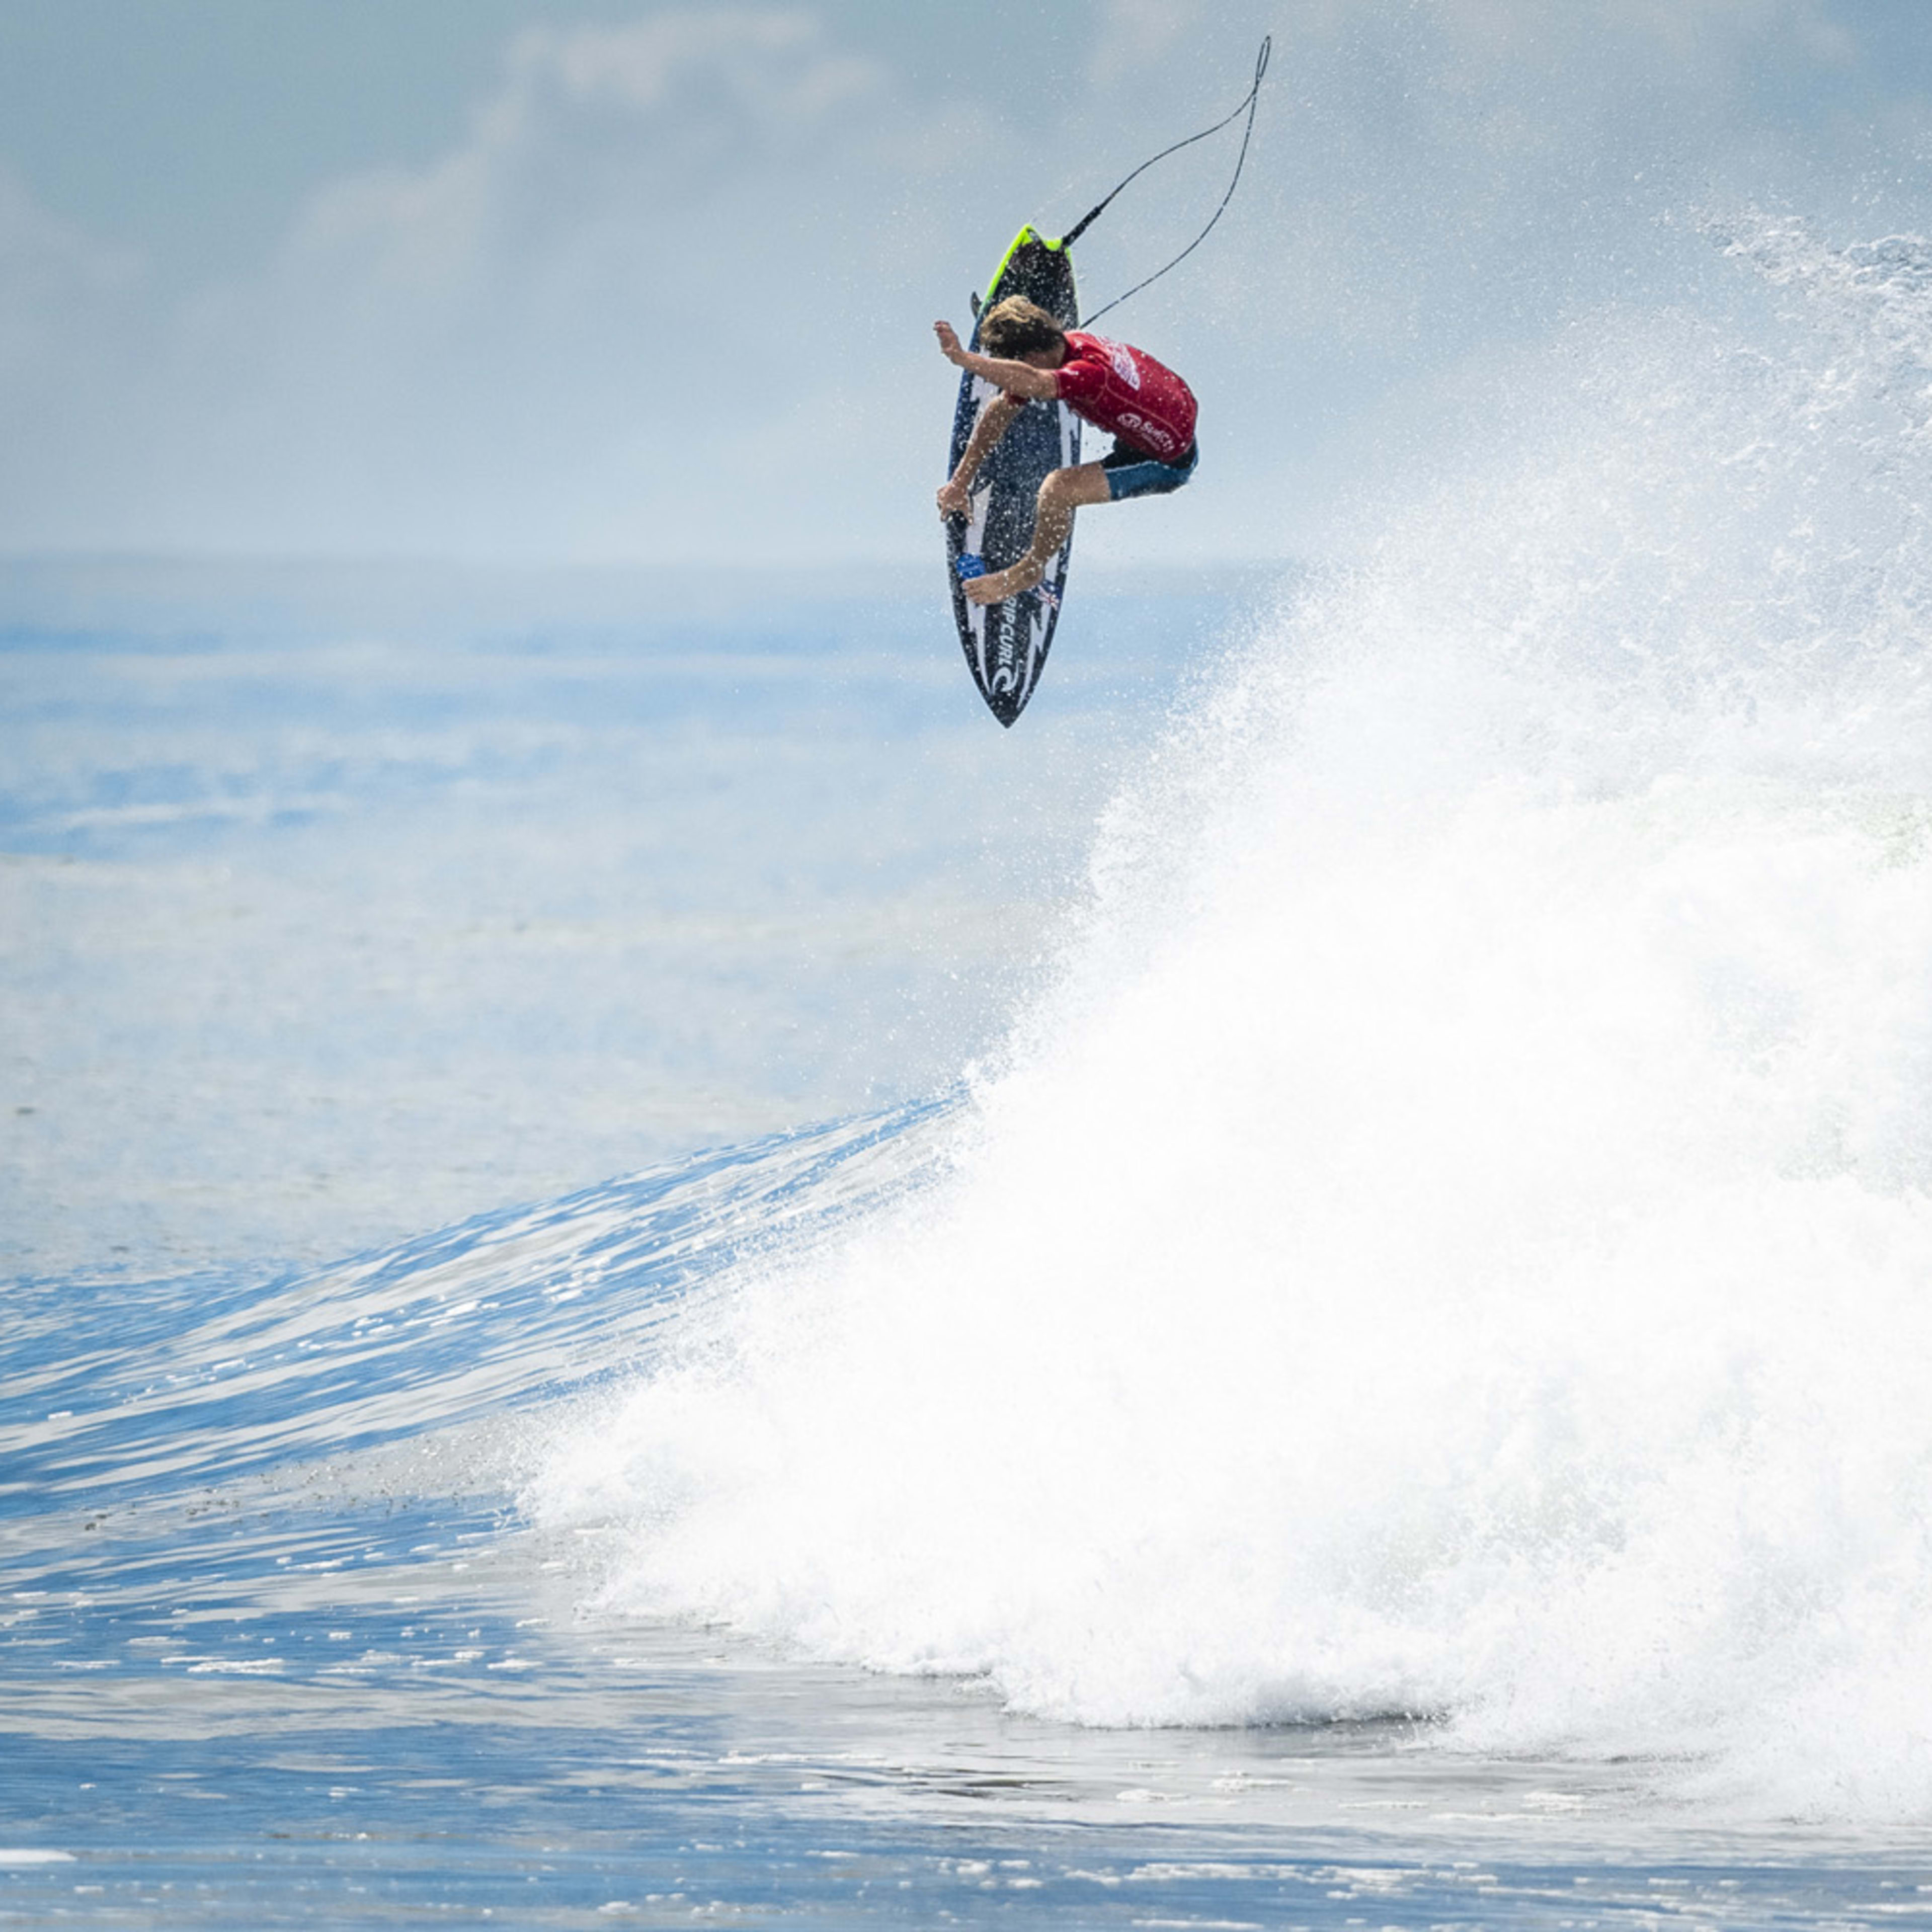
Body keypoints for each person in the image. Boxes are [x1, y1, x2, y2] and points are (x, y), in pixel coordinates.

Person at [934, 296, 1198, 606]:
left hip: (1166, 461)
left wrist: (963, 359)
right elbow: (1001, 409)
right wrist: (959, 483)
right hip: (1170, 413)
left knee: (1058, 489)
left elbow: (1036, 382)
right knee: (1013, 402)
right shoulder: (1072, 343)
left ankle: (1028, 572)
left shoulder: (1089, 374)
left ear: (1032, 356)